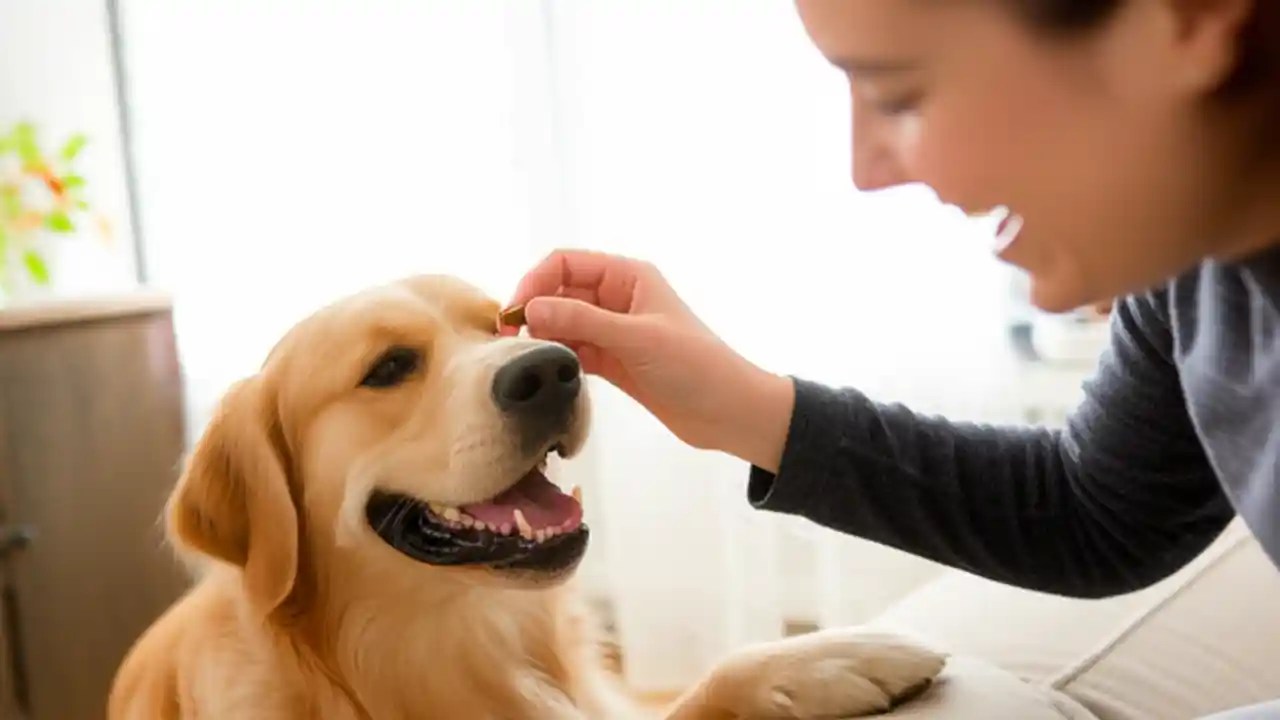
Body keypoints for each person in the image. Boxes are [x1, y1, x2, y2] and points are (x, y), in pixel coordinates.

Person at [504, 1, 1279, 717]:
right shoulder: (1199, 271)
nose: (864, 170)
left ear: (1185, 19)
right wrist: (746, 408)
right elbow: (1099, 511)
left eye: (900, 95)